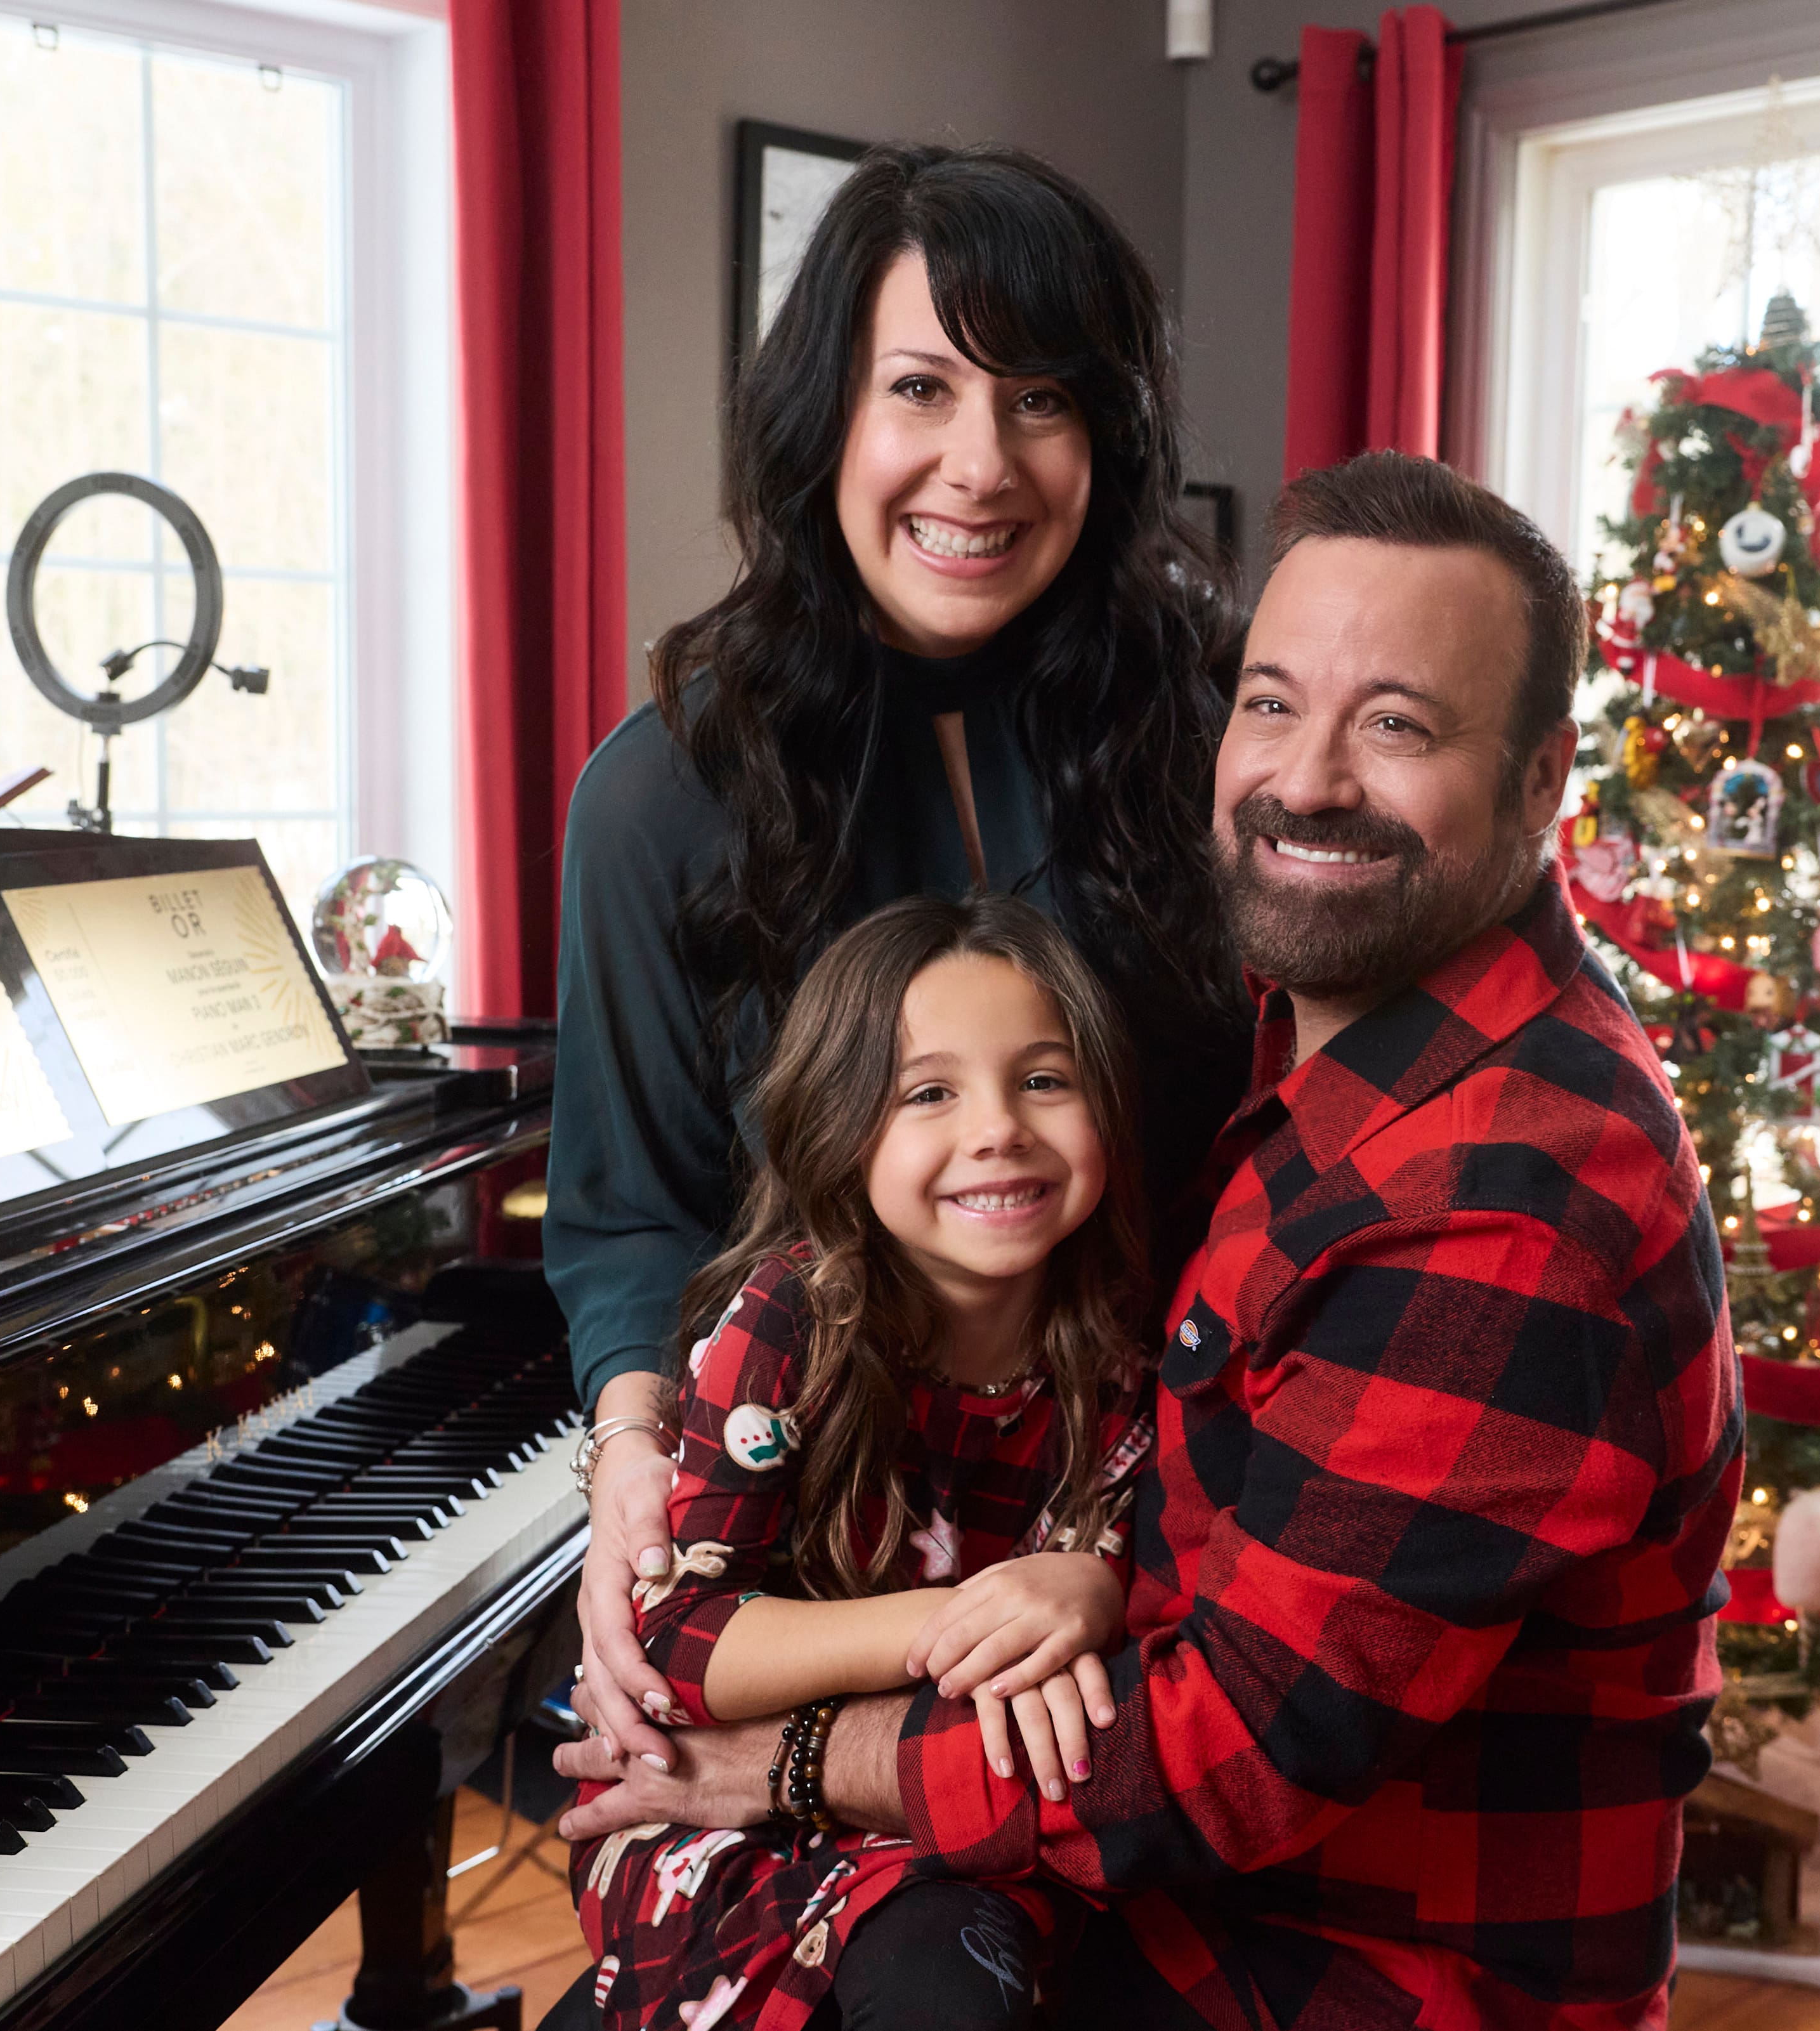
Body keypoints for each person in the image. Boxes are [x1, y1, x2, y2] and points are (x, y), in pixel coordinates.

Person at [555, 452, 1746, 2030]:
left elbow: (1231, 1759)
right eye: (1269, 704)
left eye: (1397, 723)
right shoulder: (1316, 1046)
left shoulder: (1516, 1187)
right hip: (1163, 1894)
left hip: (1347, 1973)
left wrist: (783, 1763)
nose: (1307, 777)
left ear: (1542, 778)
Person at [545, 143, 1249, 1776]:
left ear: (1110, 439)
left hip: (1158, 1545)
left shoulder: (1215, 742)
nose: (980, 464)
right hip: (819, 1564)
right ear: (825, 422)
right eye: (920, 387)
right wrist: (633, 1460)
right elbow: (629, 1210)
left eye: (1043, 399)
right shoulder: (656, 796)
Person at [567, 892, 1154, 2031]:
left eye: (1043, 1079)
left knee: (957, 1982)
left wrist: (1094, 1587)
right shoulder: (790, 1318)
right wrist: (963, 1618)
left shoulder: (1123, 1349)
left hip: (947, 1808)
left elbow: (1105, 1615)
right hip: (718, 1811)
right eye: (928, 1092)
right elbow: (680, 1642)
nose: (998, 1129)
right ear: (840, 1128)